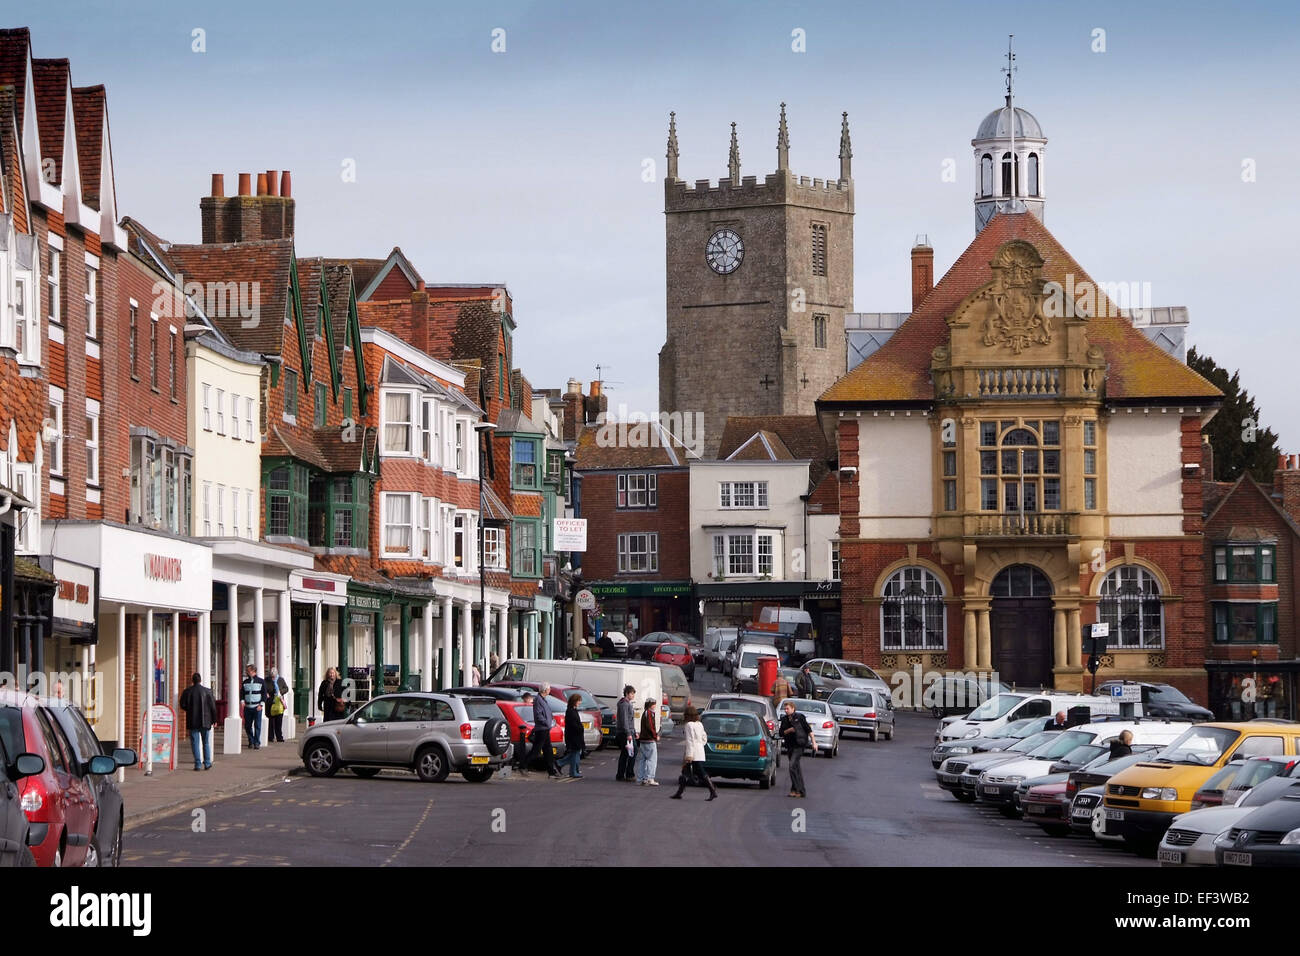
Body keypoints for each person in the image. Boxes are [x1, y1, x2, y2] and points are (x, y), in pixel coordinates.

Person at [671, 707, 716, 800]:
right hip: (699, 751)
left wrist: (689, 755)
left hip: (692, 753)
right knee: (685, 772)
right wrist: (699, 745)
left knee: (700, 772)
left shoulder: (688, 725)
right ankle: (679, 793)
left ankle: (713, 791)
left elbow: (690, 741)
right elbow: (704, 737)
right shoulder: (699, 724)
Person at [179, 672, 217, 771]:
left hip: (193, 721)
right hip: (206, 720)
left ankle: (198, 764)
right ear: (200, 680)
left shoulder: (187, 692)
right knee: (206, 743)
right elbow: (213, 707)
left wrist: (189, 709)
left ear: (192, 680)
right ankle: (207, 763)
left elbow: (182, 704)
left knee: (195, 743)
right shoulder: (208, 691)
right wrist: (214, 720)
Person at [778, 700, 817, 797]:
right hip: (790, 745)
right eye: (785, 709)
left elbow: (808, 730)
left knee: (792, 766)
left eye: (788, 709)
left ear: (793, 709)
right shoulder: (784, 719)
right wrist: (789, 730)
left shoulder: (799, 717)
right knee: (796, 768)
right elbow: (781, 733)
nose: (786, 711)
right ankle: (797, 790)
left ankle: (798, 790)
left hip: (799, 745)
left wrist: (814, 742)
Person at [532, 683, 559, 778]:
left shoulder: (543, 700)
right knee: (536, 750)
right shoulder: (538, 700)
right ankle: (523, 765)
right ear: (545, 690)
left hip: (545, 728)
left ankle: (551, 771)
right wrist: (547, 723)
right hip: (542, 728)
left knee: (548, 751)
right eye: (549, 688)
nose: (550, 690)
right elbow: (538, 715)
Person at [240, 664, 268, 749]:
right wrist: (242, 701)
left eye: (248, 671)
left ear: (253, 671)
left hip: (257, 707)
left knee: (257, 725)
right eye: (247, 671)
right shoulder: (245, 682)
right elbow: (242, 693)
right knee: (247, 726)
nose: (247, 672)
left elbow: (264, 693)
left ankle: (257, 742)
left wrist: (261, 704)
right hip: (247, 707)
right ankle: (251, 741)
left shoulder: (261, 681)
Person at [559, 693, 586, 778]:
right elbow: (573, 725)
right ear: (574, 701)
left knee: (575, 754)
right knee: (575, 754)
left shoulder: (573, 710)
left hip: (576, 736)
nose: (580, 702)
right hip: (573, 737)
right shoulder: (570, 711)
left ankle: (572, 770)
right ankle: (572, 771)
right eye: (579, 700)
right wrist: (580, 728)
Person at [615, 685, 638, 781]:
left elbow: (630, 720)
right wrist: (629, 733)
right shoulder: (625, 704)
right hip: (625, 732)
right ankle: (629, 774)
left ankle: (620, 775)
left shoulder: (626, 703)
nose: (633, 695)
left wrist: (634, 731)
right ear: (627, 693)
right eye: (632, 693)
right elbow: (625, 720)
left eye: (633, 694)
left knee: (625, 753)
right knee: (633, 752)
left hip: (628, 731)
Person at [636, 696, 660, 786]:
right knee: (652, 759)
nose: (655, 706)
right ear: (650, 705)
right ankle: (650, 778)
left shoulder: (645, 713)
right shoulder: (649, 713)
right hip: (649, 740)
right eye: (654, 704)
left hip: (643, 740)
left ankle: (641, 778)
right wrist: (655, 736)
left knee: (643, 760)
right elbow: (650, 726)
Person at [266, 667, 289, 743]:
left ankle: (279, 737)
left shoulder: (281, 680)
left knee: (279, 720)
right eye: (272, 676)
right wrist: (267, 693)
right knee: (271, 720)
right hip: (270, 702)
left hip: (279, 701)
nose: (273, 678)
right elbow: (264, 688)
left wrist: (280, 692)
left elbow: (286, 688)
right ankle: (270, 737)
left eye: (274, 676)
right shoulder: (267, 680)